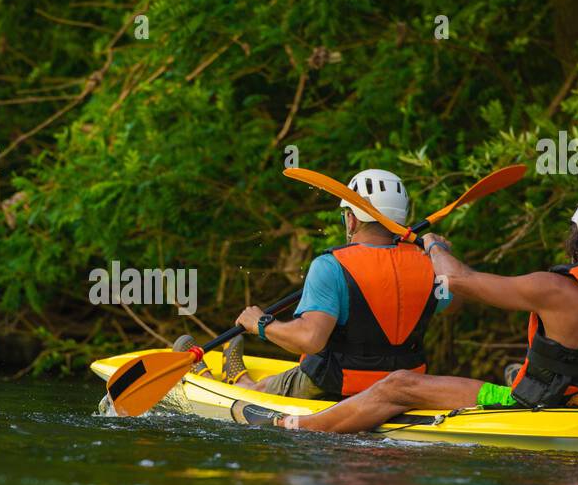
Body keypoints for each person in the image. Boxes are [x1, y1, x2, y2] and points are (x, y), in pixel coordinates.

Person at [263, 187, 578, 431]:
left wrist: (432, 244)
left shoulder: (555, 289)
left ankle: (300, 430)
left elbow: (457, 281)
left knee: (398, 384)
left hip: (540, 411)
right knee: (522, 367)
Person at [174, 169, 453, 400]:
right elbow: (447, 303)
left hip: (334, 385)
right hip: (408, 386)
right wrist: (442, 256)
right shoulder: (432, 265)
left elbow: (310, 339)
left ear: (352, 218)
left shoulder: (330, 266)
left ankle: (238, 383)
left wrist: (260, 323)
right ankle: (238, 373)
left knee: (261, 390)